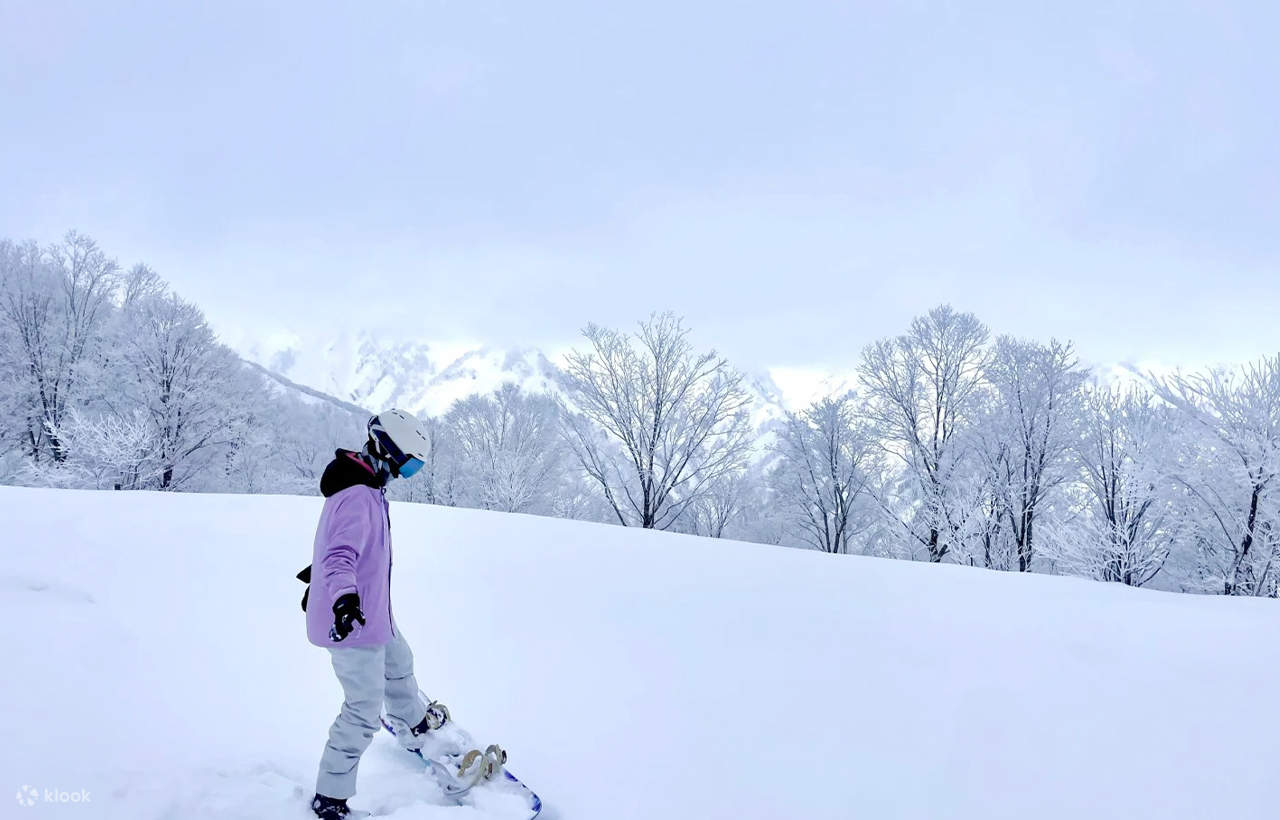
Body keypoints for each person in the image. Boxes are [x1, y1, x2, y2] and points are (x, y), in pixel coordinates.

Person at [302, 409, 447, 820]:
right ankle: (330, 796)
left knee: (400, 662)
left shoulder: (369, 488)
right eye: (410, 465)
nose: (406, 475)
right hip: (350, 620)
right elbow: (338, 556)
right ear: (387, 451)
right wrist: (344, 600)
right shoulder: (357, 497)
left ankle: (412, 723)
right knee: (362, 709)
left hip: (371, 609)